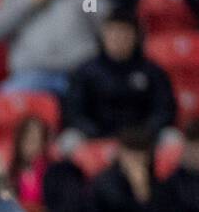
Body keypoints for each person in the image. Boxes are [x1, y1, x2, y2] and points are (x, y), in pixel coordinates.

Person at [62, 12, 176, 141]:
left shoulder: (153, 71)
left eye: (124, 33)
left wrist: (144, 133)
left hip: (142, 139)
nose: (118, 38)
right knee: (69, 140)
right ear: (102, 36)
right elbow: (74, 112)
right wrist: (96, 133)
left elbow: (164, 110)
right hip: (96, 136)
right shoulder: (85, 72)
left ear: (136, 36)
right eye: (113, 33)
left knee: (172, 138)